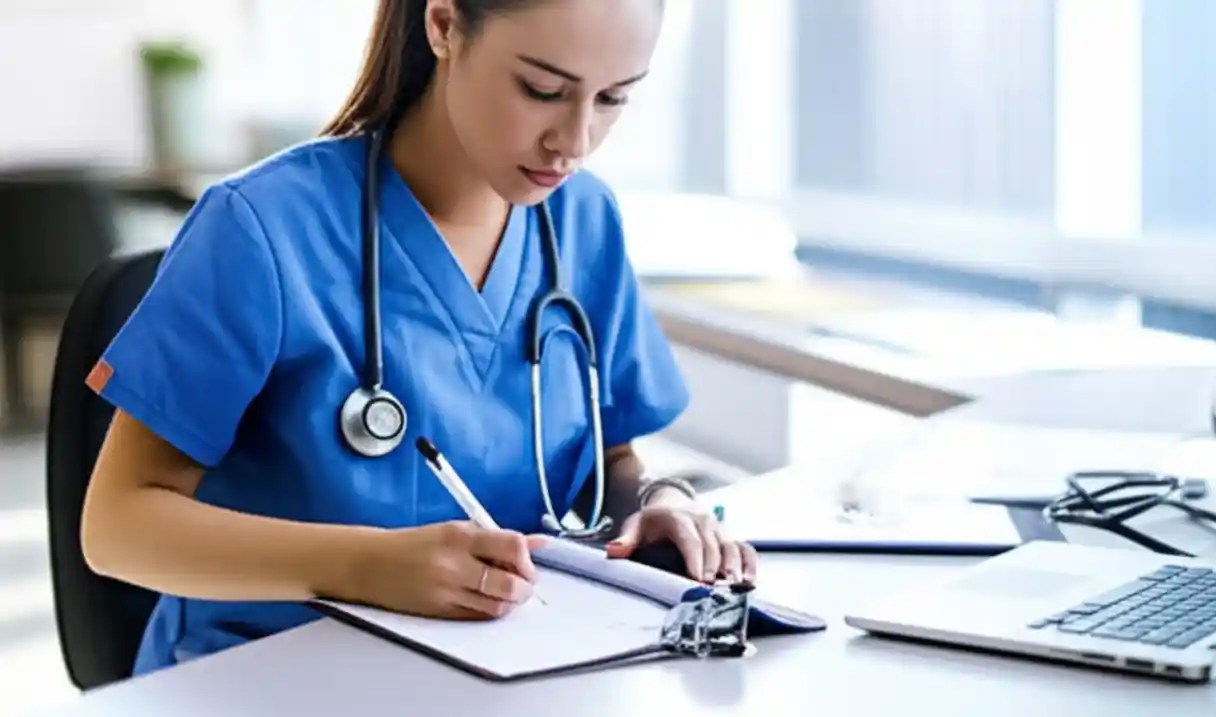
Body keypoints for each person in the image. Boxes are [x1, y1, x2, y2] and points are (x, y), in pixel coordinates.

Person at [80, 0, 758, 676]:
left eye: (613, 98)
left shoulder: (585, 221)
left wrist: (659, 501)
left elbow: (612, 460)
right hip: (262, 677)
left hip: (508, 672)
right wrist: (368, 566)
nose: (575, 141)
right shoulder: (262, 229)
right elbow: (117, 528)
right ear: (442, 26)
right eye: (542, 90)